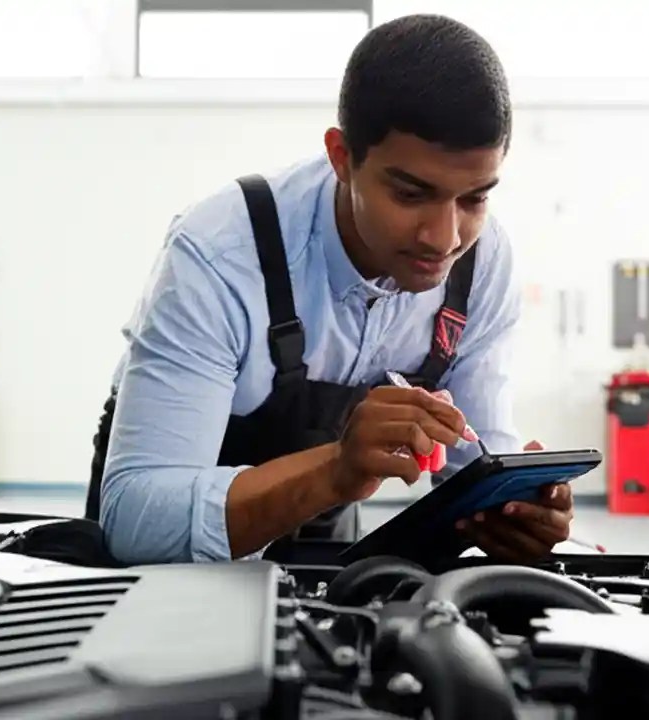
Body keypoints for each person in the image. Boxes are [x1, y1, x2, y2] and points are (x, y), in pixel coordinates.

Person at [89, 13, 574, 565]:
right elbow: (138, 526)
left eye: (475, 198)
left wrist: (514, 510)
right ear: (342, 158)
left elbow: (476, 464)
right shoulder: (220, 254)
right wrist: (335, 469)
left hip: (326, 522)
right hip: (168, 566)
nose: (445, 239)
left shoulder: (482, 263)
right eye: (410, 194)